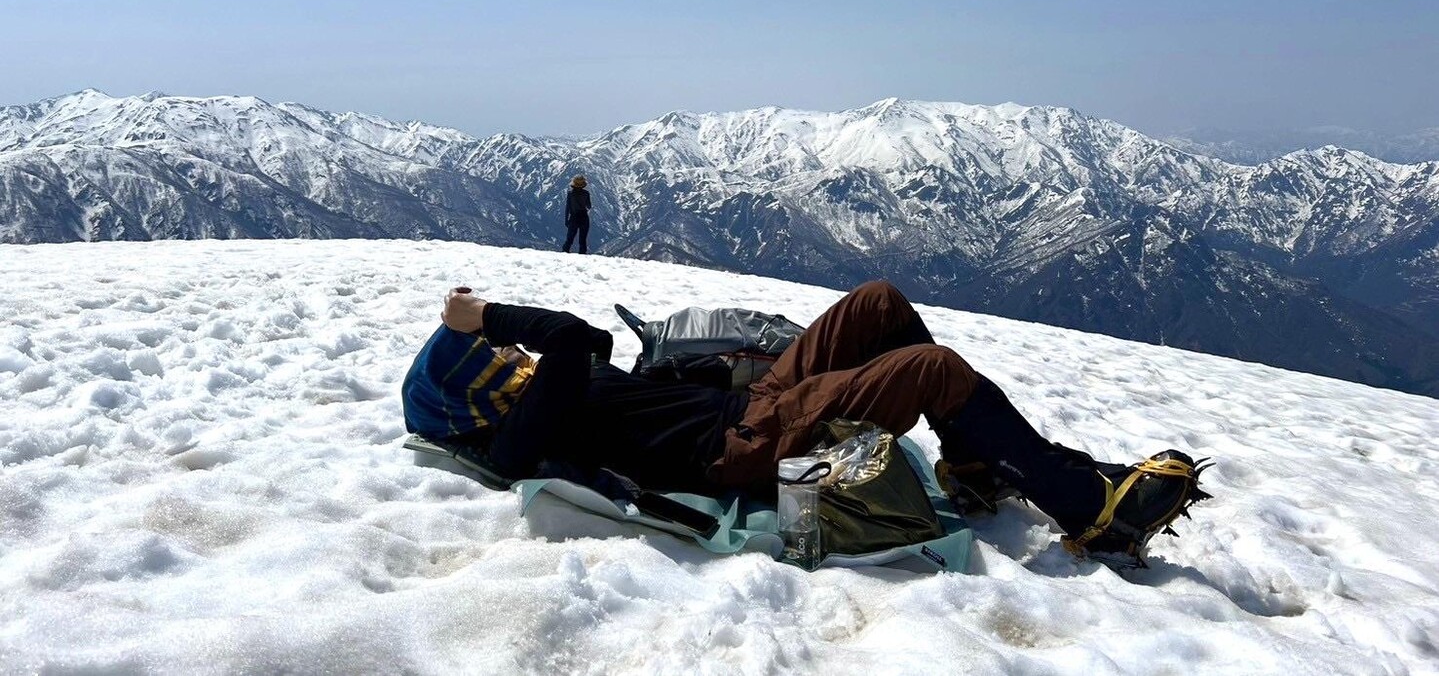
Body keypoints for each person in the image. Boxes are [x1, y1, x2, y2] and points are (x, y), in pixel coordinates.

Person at [401, 280, 1210, 563]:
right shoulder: (515, 443)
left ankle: (973, 459)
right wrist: (486, 315)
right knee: (933, 371)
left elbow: (598, 345)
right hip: (740, 446)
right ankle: (1088, 511)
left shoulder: (547, 396)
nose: (517, 361)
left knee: (879, 303)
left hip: (747, 406)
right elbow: (576, 339)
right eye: (496, 364)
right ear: (476, 397)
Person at [562, 175, 591, 254]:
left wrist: (566, 220)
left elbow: (567, 207)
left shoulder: (570, 194)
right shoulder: (586, 193)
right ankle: (582, 257)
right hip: (584, 218)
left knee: (569, 239)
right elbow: (589, 206)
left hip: (574, 218)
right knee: (582, 240)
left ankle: (564, 255)